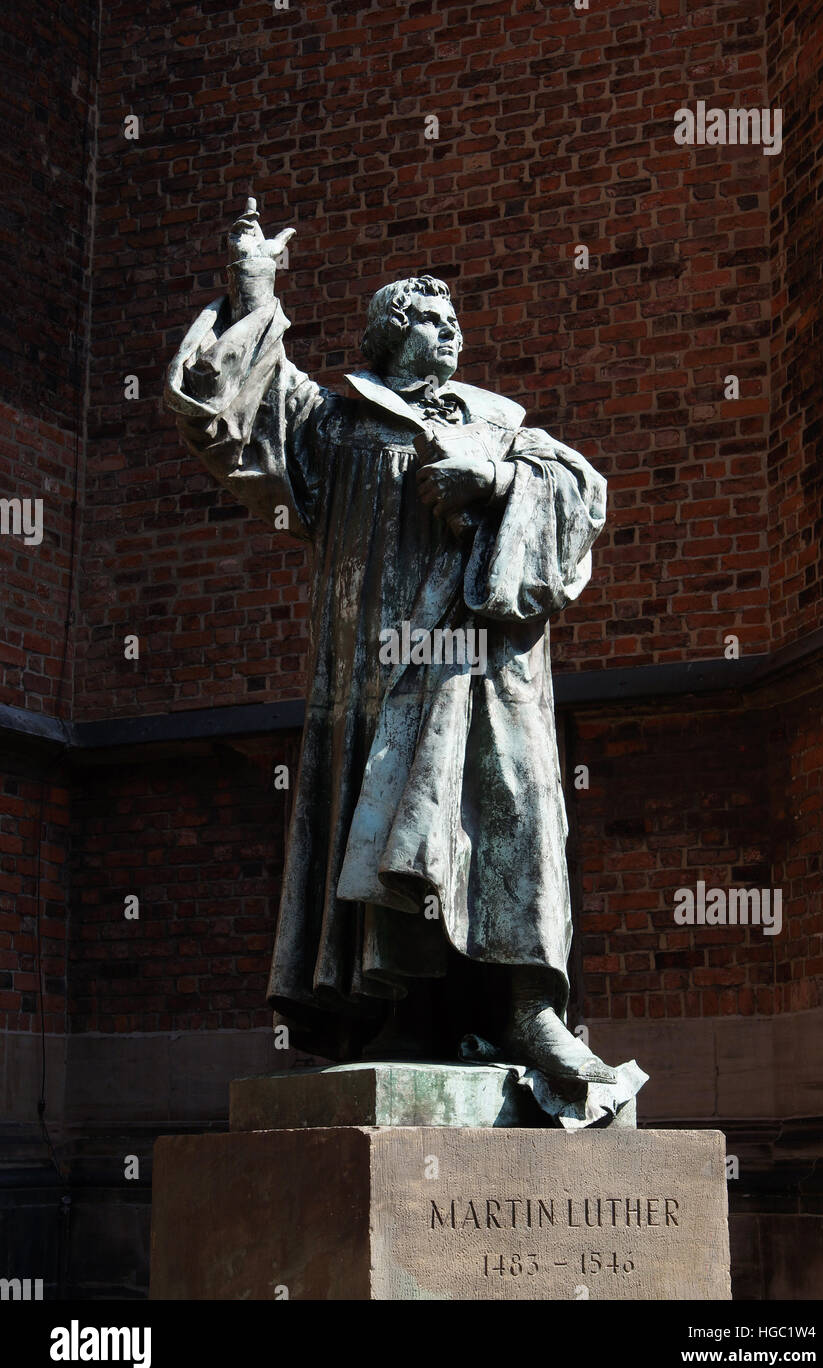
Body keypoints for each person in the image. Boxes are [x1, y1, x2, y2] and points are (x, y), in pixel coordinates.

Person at [165, 197, 615, 1085]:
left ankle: (531, 1009)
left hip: (487, 669)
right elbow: (230, 418)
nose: (450, 335)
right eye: (431, 320)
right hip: (389, 670)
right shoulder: (337, 426)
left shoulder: (501, 425)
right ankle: (402, 1014)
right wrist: (254, 287)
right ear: (389, 334)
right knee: (402, 835)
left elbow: (581, 496)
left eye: (454, 322)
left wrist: (494, 481)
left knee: (513, 814)